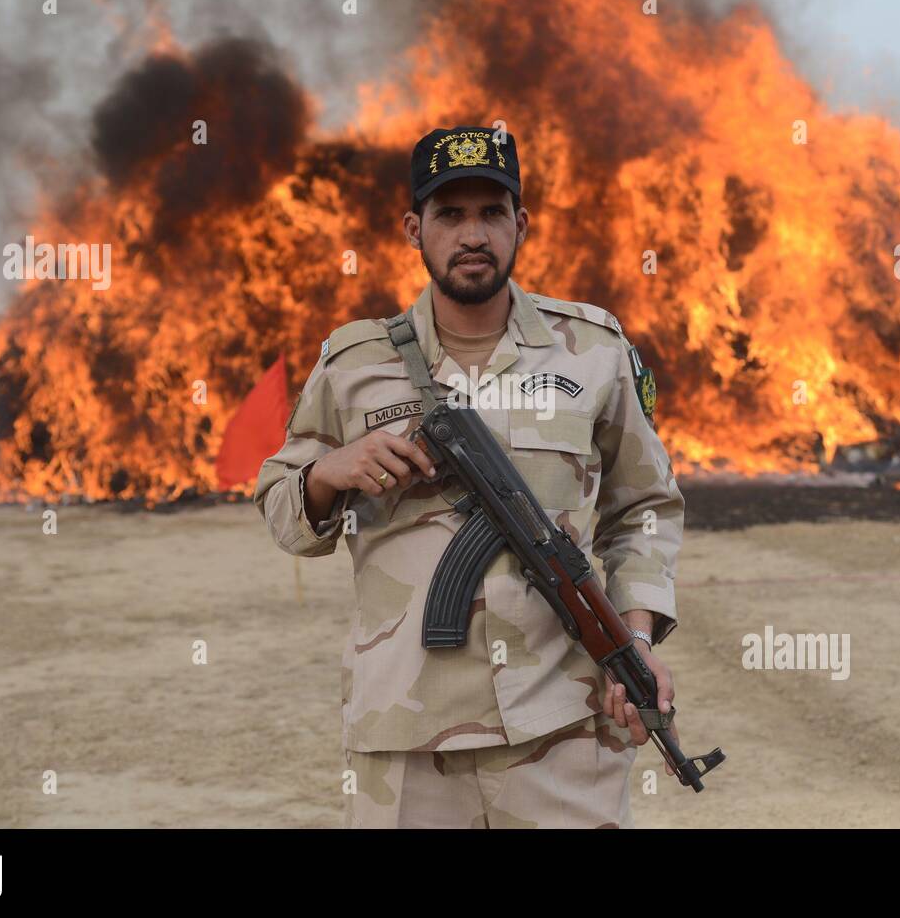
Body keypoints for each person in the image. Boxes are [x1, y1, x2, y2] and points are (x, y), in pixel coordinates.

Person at [253, 126, 685, 828]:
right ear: (413, 228)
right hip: (406, 740)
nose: (472, 233)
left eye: (491, 212)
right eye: (449, 214)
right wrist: (331, 471)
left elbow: (645, 508)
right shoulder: (352, 363)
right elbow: (282, 510)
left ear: (521, 224)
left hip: (564, 729)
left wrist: (633, 638)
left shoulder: (593, 352)